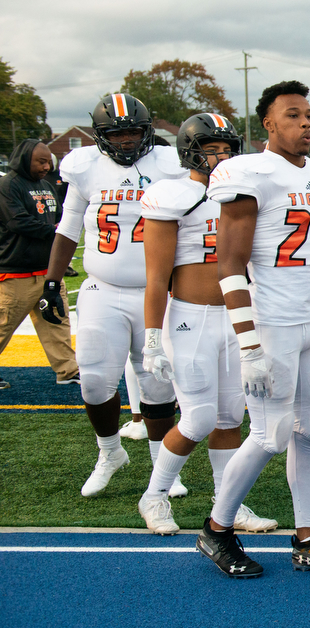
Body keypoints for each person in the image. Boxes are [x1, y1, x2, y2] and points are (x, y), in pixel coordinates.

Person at [194, 80, 310, 578]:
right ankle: (216, 529)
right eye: (293, 115)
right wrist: (248, 344)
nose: (306, 123)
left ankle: (308, 538)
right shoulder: (247, 172)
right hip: (272, 323)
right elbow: (229, 263)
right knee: (269, 435)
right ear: (268, 124)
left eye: (309, 115)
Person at [135, 113, 277, 536]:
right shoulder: (171, 194)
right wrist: (152, 337)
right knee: (197, 418)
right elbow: (157, 277)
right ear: (189, 150)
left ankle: (227, 503)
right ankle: (154, 496)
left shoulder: (241, 191)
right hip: (190, 318)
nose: (220, 156)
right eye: (211, 148)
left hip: (237, 317)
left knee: (231, 416)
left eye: (226, 148)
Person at [41, 93, 187, 498]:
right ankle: (110, 452)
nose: (125, 141)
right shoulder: (84, 168)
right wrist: (53, 281)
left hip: (158, 292)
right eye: (116, 133)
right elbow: (69, 226)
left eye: (132, 133)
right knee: (93, 380)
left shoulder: (169, 165)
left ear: (147, 131)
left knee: (158, 383)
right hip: (101, 289)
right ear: (101, 136)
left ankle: (163, 466)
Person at [0, 138, 77, 389]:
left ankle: (67, 370)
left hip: (48, 271)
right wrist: (56, 231)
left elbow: (58, 218)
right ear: (24, 159)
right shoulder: (7, 185)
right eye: (40, 161)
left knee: (57, 323)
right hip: (16, 272)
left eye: (48, 161)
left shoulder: (46, 185)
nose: (46, 166)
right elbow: (17, 222)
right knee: (3, 326)